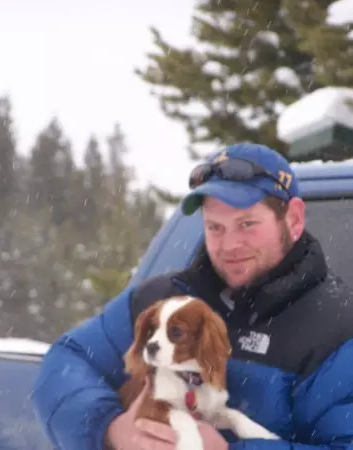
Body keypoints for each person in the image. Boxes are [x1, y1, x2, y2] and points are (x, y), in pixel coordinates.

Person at [32, 143, 353, 450]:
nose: (229, 246)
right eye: (215, 227)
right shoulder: (161, 300)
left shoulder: (336, 330)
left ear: (294, 219)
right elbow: (68, 361)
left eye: (247, 224)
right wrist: (110, 429)